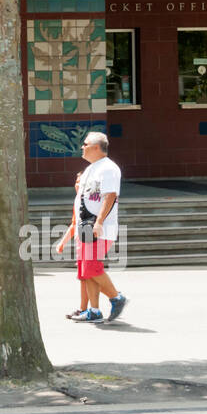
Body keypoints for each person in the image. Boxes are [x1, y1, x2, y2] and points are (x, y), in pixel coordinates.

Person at [56, 132, 128, 323]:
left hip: (98, 228)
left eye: (85, 144)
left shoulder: (108, 169)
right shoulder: (91, 169)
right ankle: (94, 311)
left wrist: (99, 222)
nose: (82, 147)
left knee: (92, 267)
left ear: (96, 147)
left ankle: (116, 297)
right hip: (84, 227)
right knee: (85, 271)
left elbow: (110, 196)